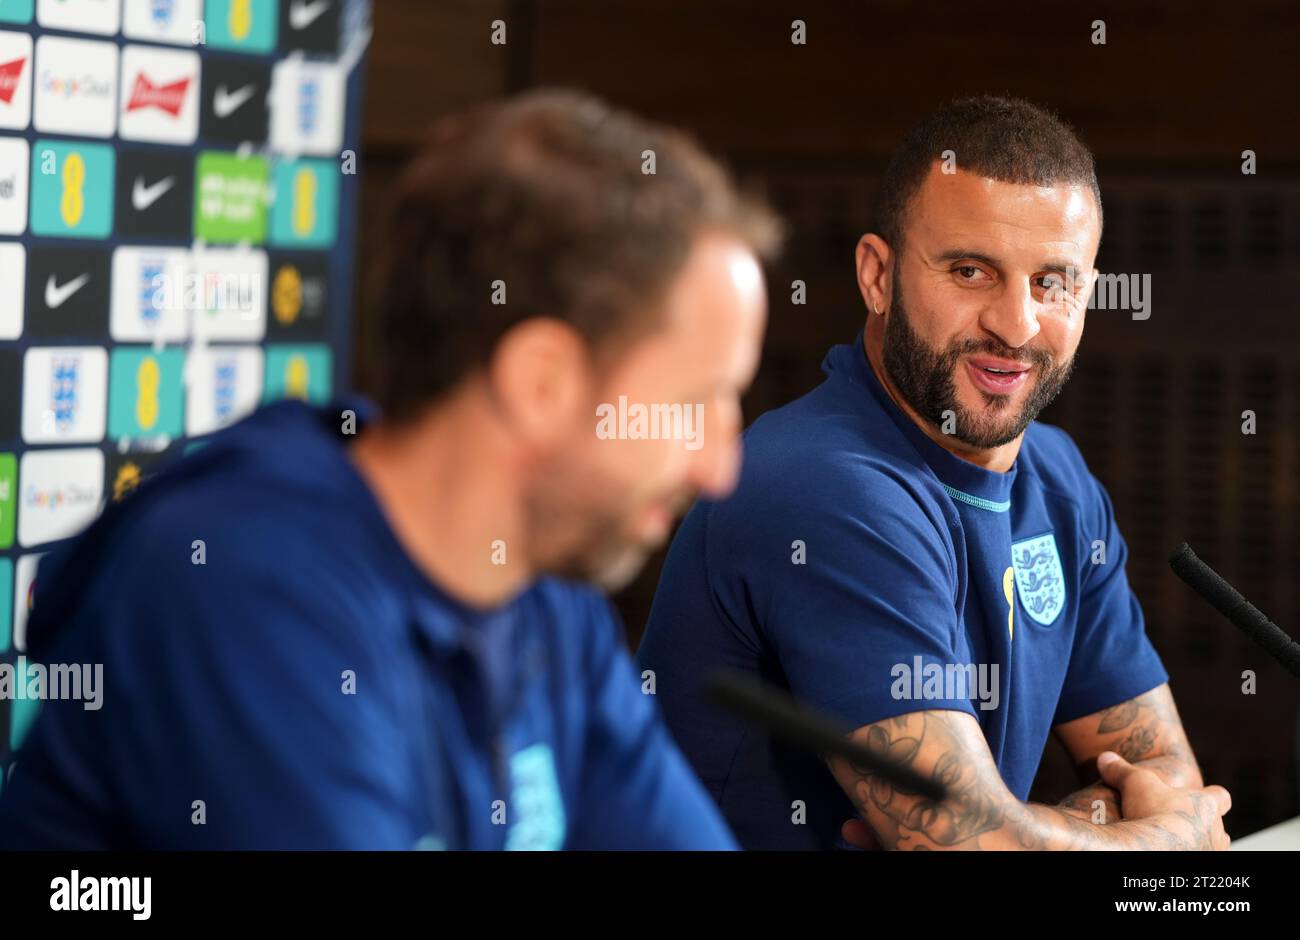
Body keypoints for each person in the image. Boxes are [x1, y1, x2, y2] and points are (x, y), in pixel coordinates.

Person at [0, 89, 780, 849]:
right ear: (541, 381)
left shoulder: (545, 595)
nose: (721, 469)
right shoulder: (244, 585)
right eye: (697, 402)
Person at [637, 96, 1232, 850]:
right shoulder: (822, 485)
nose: (1016, 324)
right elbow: (970, 844)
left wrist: (1044, 827)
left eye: (1053, 282)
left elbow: (1165, 775)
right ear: (877, 276)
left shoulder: (1059, 478)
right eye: (970, 270)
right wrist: (1158, 839)